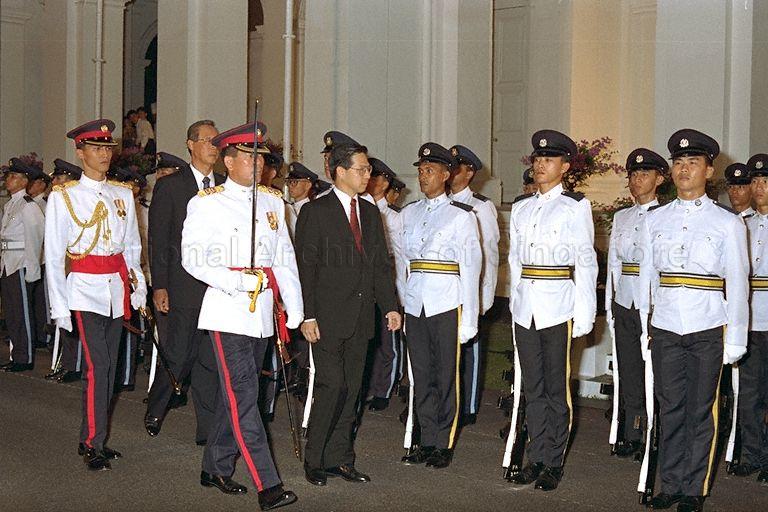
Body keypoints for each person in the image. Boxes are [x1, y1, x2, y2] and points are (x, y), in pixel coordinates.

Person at [182, 121, 301, 510]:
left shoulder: (272, 202)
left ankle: (214, 465)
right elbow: (192, 261)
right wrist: (236, 282)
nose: (258, 164)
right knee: (245, 396)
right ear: (228, 162)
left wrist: (296, 311)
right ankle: (267, 484)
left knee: (238, 394)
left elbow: (284, 259)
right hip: (227, 312)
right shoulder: (206, 203)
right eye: (249, 157)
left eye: (261, 157)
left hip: (262, 315)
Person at [637, 129, 749, 512]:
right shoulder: (655, 220)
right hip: (666, 325)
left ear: (709, 170)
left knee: (701, 409)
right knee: (669, 407)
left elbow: (738, 283)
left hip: (706, 326)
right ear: (671, 171)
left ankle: (693, 488)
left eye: (693, 163)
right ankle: (669, 482)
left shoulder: (728, 224)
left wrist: (735, 338)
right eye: (679, 163)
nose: (685, 169)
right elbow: (648, 278)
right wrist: (644, 328)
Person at [296, 142, 400, 486]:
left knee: (353, 389)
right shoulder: (316, 211)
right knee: (332, 385)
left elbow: (380, 266)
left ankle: (340, 458)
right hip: (325, 318)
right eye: (362, 169)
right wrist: (306, 315)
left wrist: (389, 306)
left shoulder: (371, 213)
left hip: (360, 317)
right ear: (340, 172)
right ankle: (315, 458)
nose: (368, 175)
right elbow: (305, 269)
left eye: (368, 169)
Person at [45, 119, 147, 470]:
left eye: (108, 148)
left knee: (110, 368)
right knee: (98, 366)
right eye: (96, 148)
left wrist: (138, 287)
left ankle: (93, 435)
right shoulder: (65, 196)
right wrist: (59, 306)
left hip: (115, 289)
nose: (104, 154)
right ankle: (93, 442)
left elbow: (131, 246)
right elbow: (55, 254)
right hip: (84, 292)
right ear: (80, 152)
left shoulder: (122, 194)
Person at [506, 130, 597, 491]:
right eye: (538, 159)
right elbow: (515, 260)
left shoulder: (575, 206)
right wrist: (515, 300)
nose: (541, 164)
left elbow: (586, 263)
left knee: (556, 389)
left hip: (558, 306)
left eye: (549, 159)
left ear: (565, 166)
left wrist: (585, 313)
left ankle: (552, 461)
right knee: (533, 386)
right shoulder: (521, 206)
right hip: (526, 307)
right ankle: (536, 455)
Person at [397, 142, 482, 469]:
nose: (423, 176)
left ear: (447, 175)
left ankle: (442, 442)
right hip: (416, 304)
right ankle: (424, 437)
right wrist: (405, 304)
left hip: (446, 303)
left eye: (430, 171)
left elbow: (472, 269)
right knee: (421, 373)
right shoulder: (410, 213)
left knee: (445, 373)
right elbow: (404, 264)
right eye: (420, 170)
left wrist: (469, 318)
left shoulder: (461, 217)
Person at [144, 120, 223, 445]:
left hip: (216, 287)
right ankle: (156, 405)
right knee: (179, 352)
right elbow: (159, 237)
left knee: (209, 360)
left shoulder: (225, 187)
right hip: (182, 284)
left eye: (216, 142)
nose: (213, 147)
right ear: (191, 145)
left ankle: (206, 428)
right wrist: (159, 284)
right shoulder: (172, 186)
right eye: (207, 141)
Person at [605, 148, 667, 459]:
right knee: (628, 369)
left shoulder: (665, 217)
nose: (637, 179)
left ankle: (653, 435)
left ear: (659, 179)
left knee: (652, 371)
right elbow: (614, 266)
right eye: (633, 174)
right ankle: (632, 432)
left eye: (644, 174)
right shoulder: (622, 216)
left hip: (651, 304)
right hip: (624, 301)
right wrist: (610, 305)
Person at [448, 145, 500, 424]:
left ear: (469, 173)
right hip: (444, 291)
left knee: (470, 351)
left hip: (471, 291)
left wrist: (483, 299)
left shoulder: (481, 207)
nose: (451, 173)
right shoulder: (440, 204)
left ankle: (467, 406)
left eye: (457, 168)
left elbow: (490, 255)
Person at [729, 153, 768, 483]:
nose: (758, 187)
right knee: (750, 392)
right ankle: (753, 454)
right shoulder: (742, 225)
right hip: (751, 321)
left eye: (765, 181)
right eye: (755, 181)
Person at [364, 157, 404, 411]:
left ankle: (385, 388)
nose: (371, 180)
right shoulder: (360, 207)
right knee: (369, 336)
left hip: (387, 276)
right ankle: (369, 385)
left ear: (385, 182)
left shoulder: (393, 216)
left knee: (388, 338)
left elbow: (400, 254)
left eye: (377, 176)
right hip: (364, 279)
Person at [0, 158, 46, 372]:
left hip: (20, 263)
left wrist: (33, 270)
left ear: (23, 181)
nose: (8, 180)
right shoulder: (11, 204)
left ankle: (24, 357)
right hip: (8, 262)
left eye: (13, 177)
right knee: (12, 311)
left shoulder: (29, 206)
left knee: (22, 312)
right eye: (9, 176)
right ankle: (16, 353)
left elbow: (35, 238)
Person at [44, 159, 85, 383]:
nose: (55, 183)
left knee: (76, 319)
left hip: (75, 266)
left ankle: (74, 365)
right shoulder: (58, 201)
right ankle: (67, 362)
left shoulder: (75, 203)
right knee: (65, 318)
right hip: (62, 266)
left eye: (60, 178)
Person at [25, 168, 52, 350]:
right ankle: (37, 334)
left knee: (43, 301)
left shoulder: (43, 203)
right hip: (35, 258)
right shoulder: (30, 203)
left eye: (33, 182)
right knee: (35, 300)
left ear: (41, 184)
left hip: (42, 258)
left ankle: (45, 336)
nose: (30, 186)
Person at [316, 131, 360, 198]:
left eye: (332, 158)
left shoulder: (360, 198)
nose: (326, 164)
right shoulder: (322, 196)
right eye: (325, 158)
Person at [285, 162, 319, 239]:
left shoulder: (313, 210)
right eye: (289, 182)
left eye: (294, 182)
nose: (290, 186)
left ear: (308, 185)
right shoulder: (287, 207)